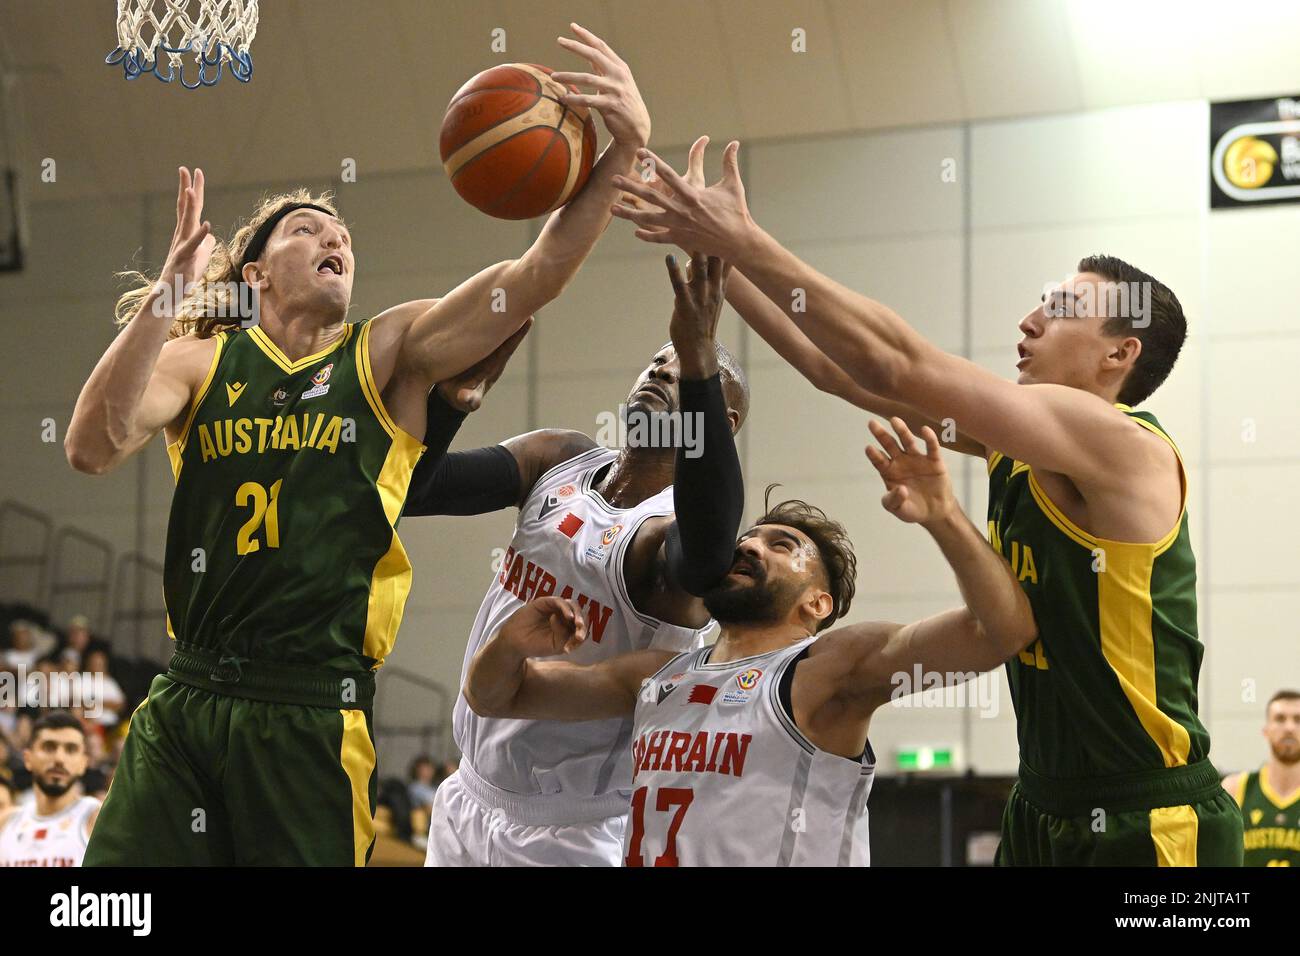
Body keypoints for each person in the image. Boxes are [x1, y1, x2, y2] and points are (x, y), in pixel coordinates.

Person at [67, 23, 652, 867]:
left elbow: (533, 277)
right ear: (257, 271)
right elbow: (93, 446)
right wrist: (165, 298)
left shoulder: (387, 351)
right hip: (187, 693)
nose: (334, 238)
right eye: (307, 229)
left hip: (309, 703)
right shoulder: (203, 361)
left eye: (341, 233)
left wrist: (621, 154)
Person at [611, 139, 1241, 866]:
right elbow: (836, 371)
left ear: (1118, 355)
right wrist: (717, 258)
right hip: (1044, 803)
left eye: (1061, 310)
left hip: (1150, 813)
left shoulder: (1123, 446)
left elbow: (896, 361)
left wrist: (741, 237)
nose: (1029, 322)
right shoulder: (1021, 446)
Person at [465, 415, 1036, 866]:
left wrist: (943, 516)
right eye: (750, 537)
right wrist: (509, 642)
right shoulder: (658, 677)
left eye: (782, 545)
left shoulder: (826, 670)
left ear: (819, 604)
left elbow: (998, 631)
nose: (751, 546)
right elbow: (496, 697)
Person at [404, 252, 747, 866]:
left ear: (718, 421)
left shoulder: (664, 532)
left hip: (572, 831)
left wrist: (699, 353)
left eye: (683, 373)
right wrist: (450, 406)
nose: (660, 374)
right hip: (466, 799)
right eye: (657, 363)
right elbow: (413, 490)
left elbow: (709, 554)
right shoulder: (561, 456)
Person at [0, 711, 101, 867]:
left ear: (83, 763)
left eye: (71, 749)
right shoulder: (6, 823)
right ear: (27, 758)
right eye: (49, 747)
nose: (59, 758)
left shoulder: (97, 818)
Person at [1222, 690, 1300, 866]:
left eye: (1298, 720)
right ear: (1266, 730)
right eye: (1280, 719)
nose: (1289, 727)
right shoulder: (1235, 788)